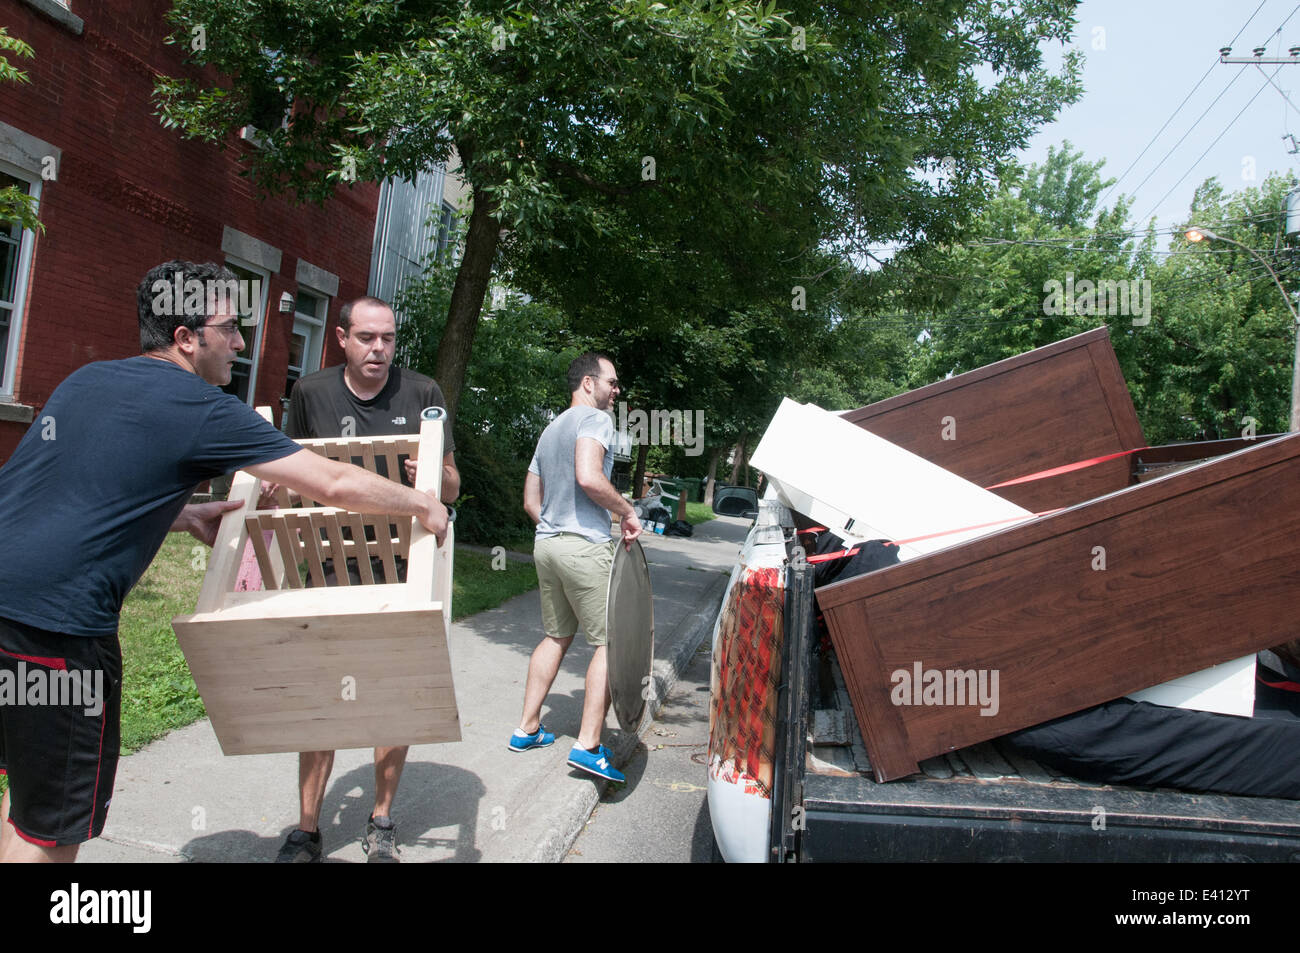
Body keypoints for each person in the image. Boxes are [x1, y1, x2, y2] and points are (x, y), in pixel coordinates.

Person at [0, 261, 449, 863]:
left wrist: (181, 516)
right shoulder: (203, 406)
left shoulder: (85, 381)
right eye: (230, 329)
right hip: (55, 634)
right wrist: (424, 504)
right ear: (187, 339)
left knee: (20, 801)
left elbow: (65, 489)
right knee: (50, 829)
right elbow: (333, 483)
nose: (241, 343)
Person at [274, 295, 459, 864]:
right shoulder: (311, 393)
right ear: (342, 338)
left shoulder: (423, 393)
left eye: (387, 339)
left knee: (392, 696)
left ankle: (381, 822)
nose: (378, 349)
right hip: (330, 564)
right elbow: (285, 470)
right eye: (366, 338)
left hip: (405, 567)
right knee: (322, 695)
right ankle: (308, 829)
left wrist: (430, 476)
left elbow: (450, 487)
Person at [509, 353, 641, 783]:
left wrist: (554, 527)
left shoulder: (551, 428)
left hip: (546, 545)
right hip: (585, 548)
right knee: (611, 643)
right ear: (589, 383)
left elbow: (531, 499)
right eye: (613, 382)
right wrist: (625, 510)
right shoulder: (596, 420)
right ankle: (587, 745)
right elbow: (588, 476)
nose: (617, 391)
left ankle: (527, 728)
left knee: (556, 635)